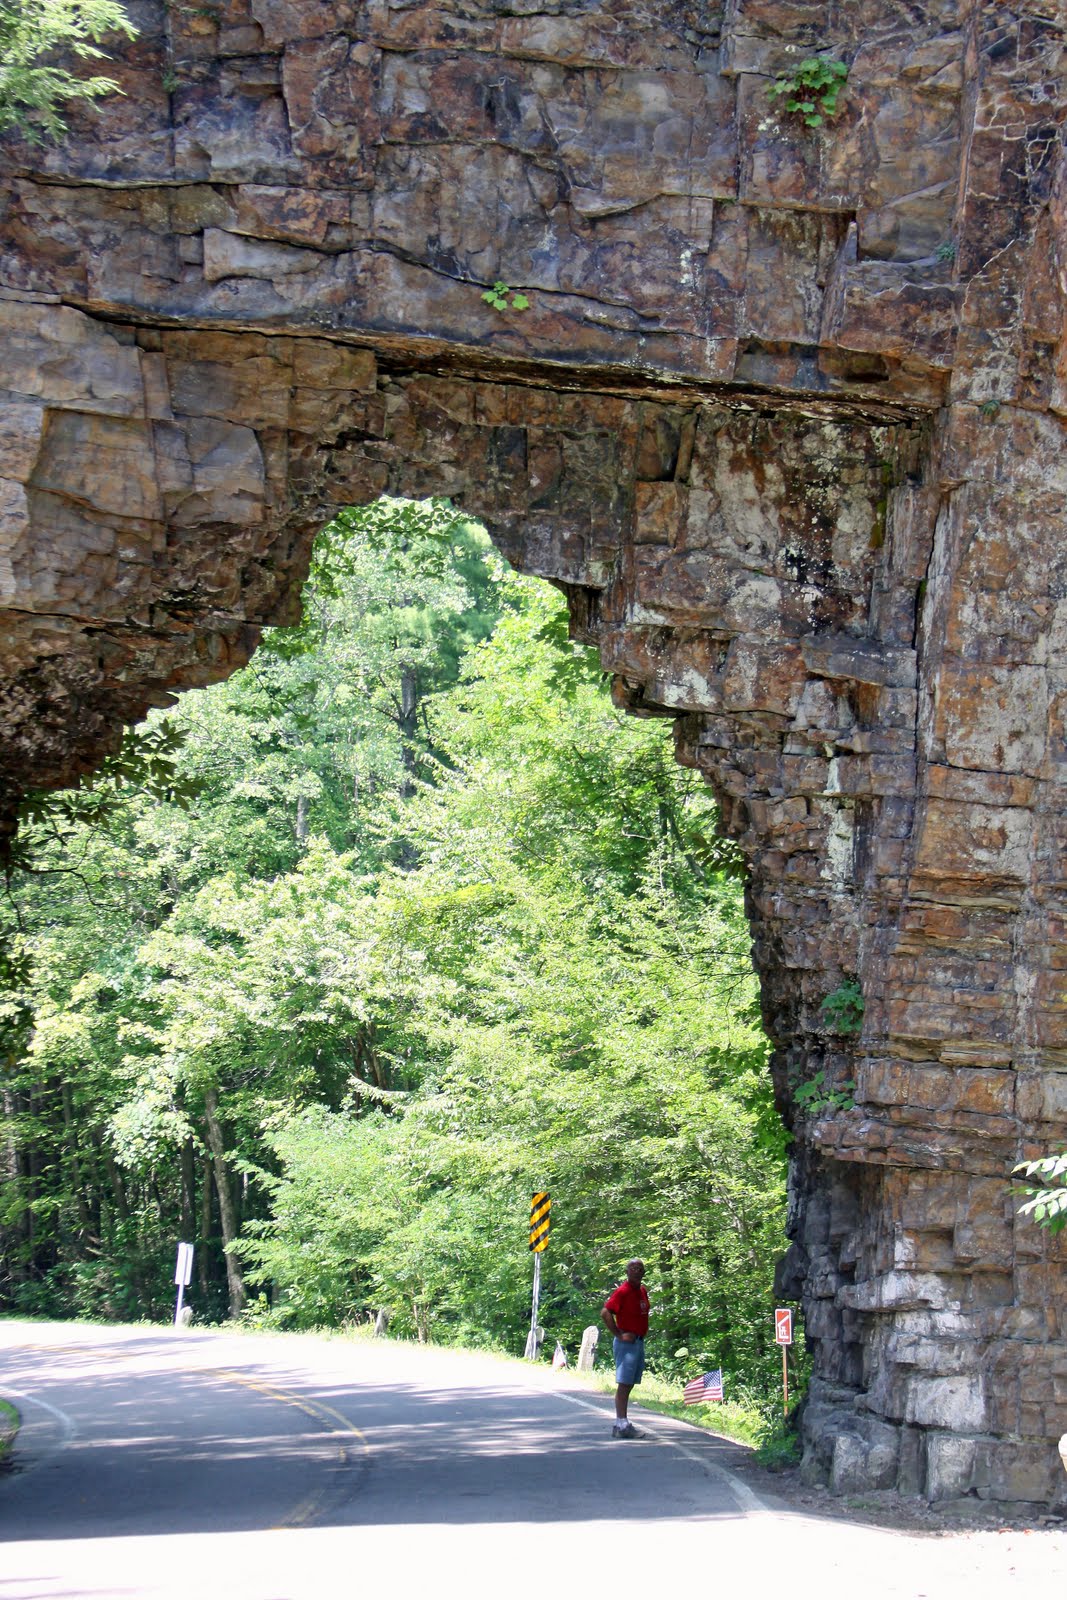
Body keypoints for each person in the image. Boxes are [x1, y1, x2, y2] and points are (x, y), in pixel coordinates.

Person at [601, 1258, 649, 1439]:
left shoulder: (642, 1291)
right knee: (624, 1383)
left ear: (644, 1272)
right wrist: (618, 1334)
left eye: (640, 1268)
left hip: (638, 1341)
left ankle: (622, 1423)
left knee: (630, 1383)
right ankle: (621, 1424)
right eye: (633, 1268)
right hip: (626, 1343)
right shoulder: (623, 1291)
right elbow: (605, 1312)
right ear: (627, 1272)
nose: (637, 1271)